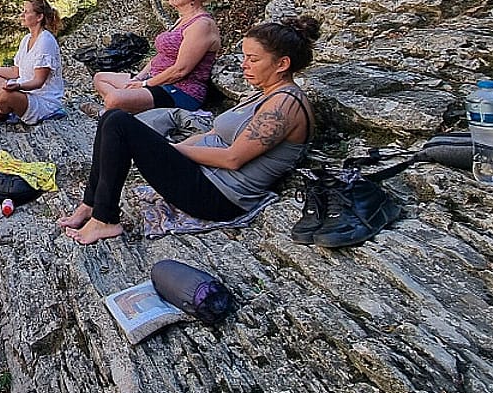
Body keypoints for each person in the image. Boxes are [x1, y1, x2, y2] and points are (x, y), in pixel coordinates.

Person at [59, 16, 320, 245]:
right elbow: (210, 136)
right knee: (111, 119)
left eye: (253, 59)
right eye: (244, 57)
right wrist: (161, 149)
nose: (244, 65)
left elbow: (233, 158)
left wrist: (171, 150)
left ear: (282, 64)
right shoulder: (264, 95)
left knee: (118, 122)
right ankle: (91, 204)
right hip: (202, 175)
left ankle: (105, 220)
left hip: (218, 196)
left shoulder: (286, 105)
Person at [92, 0, 221, 115]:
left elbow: (180, 70)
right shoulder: (182, 20)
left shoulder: (202, 25)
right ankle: (124, 109)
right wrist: (139, 78)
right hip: (154, 80)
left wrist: (144, 84)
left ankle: (112, 110)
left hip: (180, 90)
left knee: (114, 98)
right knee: (100, 78)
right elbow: (160, 56)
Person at [0, 0, 65, 127]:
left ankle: (2, 113)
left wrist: (18, 87)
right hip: (24, 93)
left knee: (5, 96)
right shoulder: (27, 39)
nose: (22, 15)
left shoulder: (46, 41)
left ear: (39, 17)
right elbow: (15, 72)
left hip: (43, 102)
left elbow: (39, 82)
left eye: (26, 12)